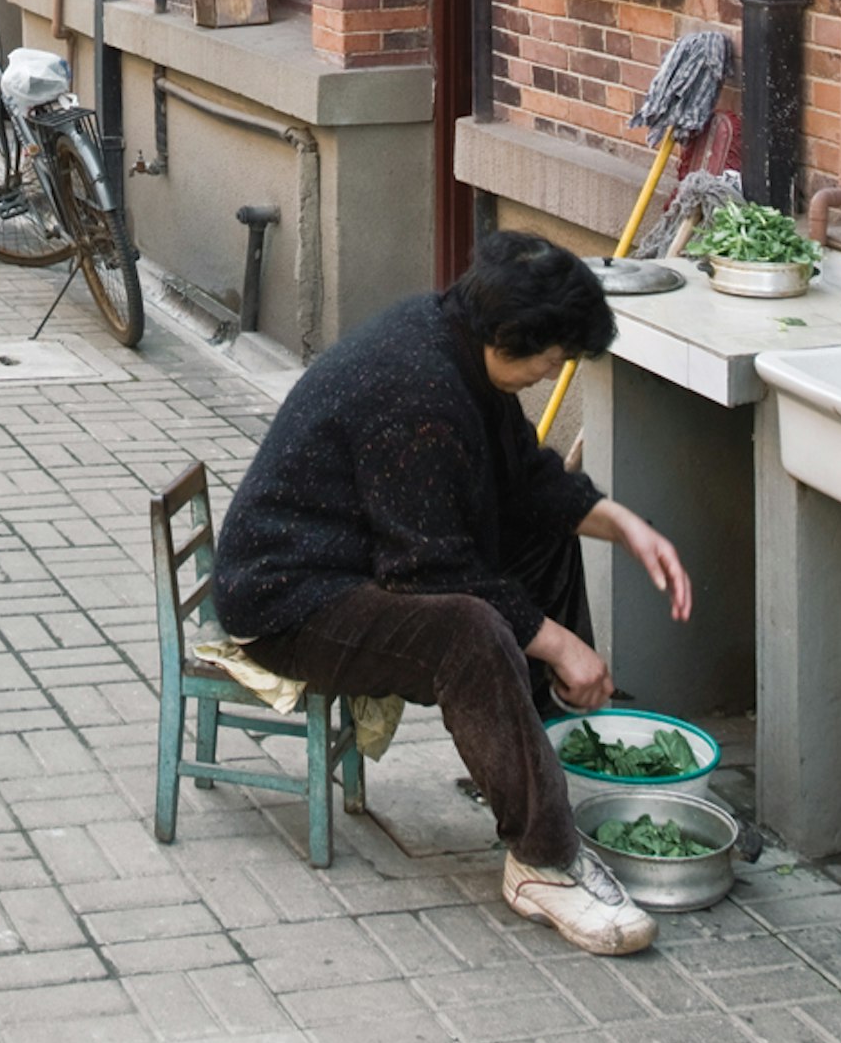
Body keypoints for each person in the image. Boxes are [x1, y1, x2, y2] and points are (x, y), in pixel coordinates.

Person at [211, 230, 693, 958]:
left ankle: (526, 758)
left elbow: (527, 478)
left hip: (356, 558)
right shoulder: (420, 389)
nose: (548, 373)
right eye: (550, 358)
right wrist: (562, 644)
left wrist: (623, 525)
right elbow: (432, 573)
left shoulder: (457, 340)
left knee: (543, 536)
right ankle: (541, 861)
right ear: (507, 336)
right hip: (290, 597)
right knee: (469, 632)